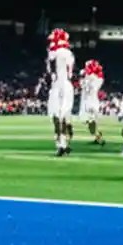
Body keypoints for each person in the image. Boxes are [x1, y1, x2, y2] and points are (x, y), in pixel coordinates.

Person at [45, 28, 75, 156]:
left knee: (56, 116)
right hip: (67, 85)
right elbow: (70, 73)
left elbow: (50, 71)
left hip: (57, 85)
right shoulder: (69, 53)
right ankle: (65, 142)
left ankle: (60, 143)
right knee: (64, 116)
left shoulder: (54, 52)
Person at [76, 59, 105, 145]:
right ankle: (98, 137)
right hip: (93, 101)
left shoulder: (91, 77)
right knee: (91, 122)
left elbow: (82, 85)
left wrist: (83, 77)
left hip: (88, 101)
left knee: (89, 121)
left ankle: (98, 137)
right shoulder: (99, 78)